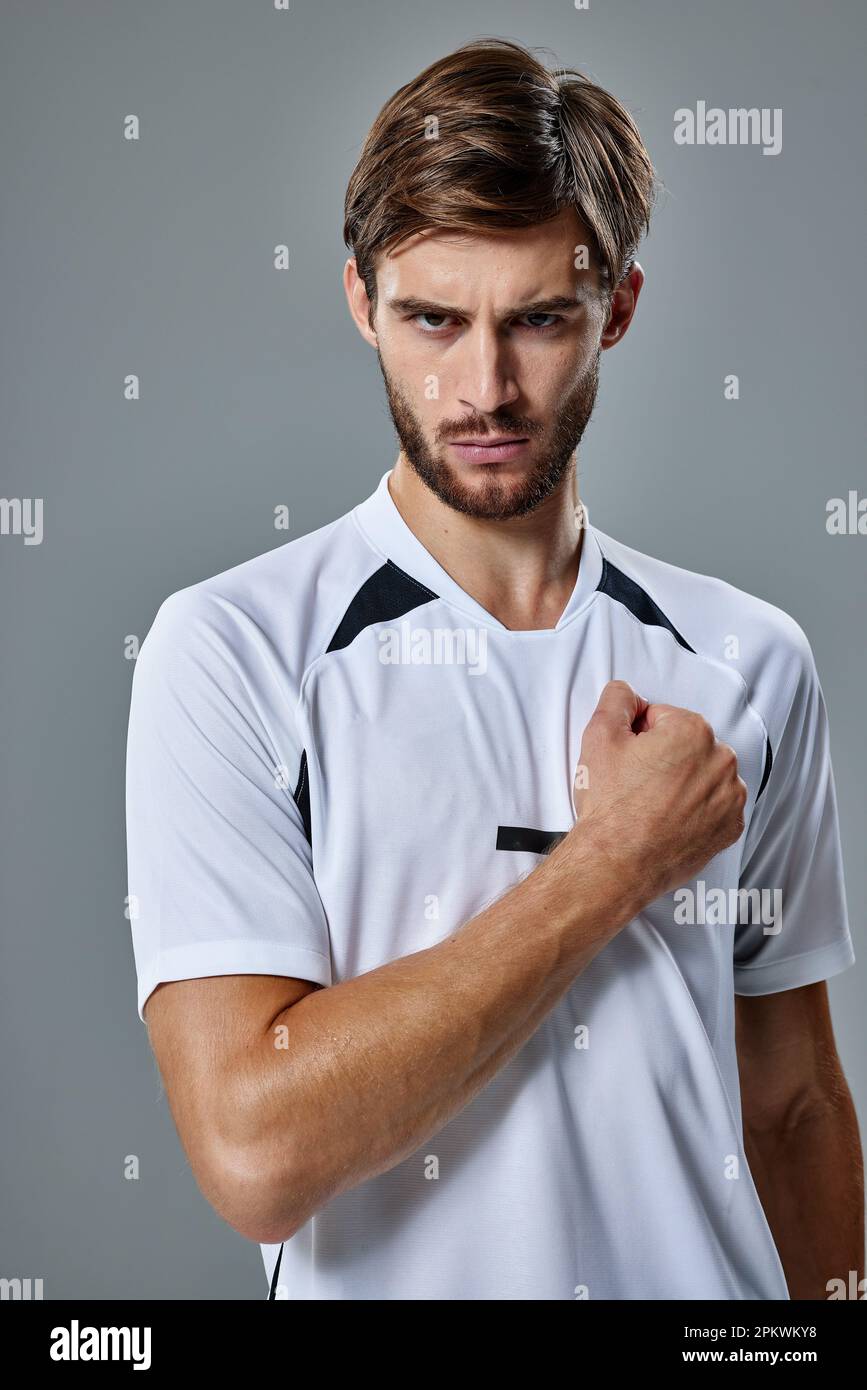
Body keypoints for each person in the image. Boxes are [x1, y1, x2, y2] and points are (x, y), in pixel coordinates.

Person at [125, 38, 861, 1300]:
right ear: (362, 301)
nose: (485, 387)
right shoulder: (232, 651)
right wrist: (612, 863)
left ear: (617, 307)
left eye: (538, 319)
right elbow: (256, 1149)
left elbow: (791, 1107)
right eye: (432, 319)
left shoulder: (749, 660)